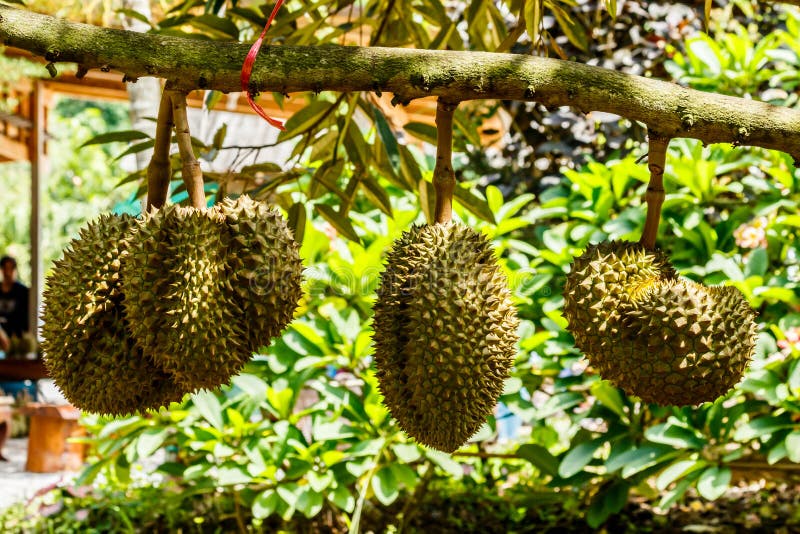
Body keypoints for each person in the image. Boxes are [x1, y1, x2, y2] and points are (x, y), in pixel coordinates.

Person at [0, 256, 29, 339]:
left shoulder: (23, 291)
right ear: (1, 270)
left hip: (18, 339)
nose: (8, 273)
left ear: (15, 270)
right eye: (5, 269)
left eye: (11, 269)